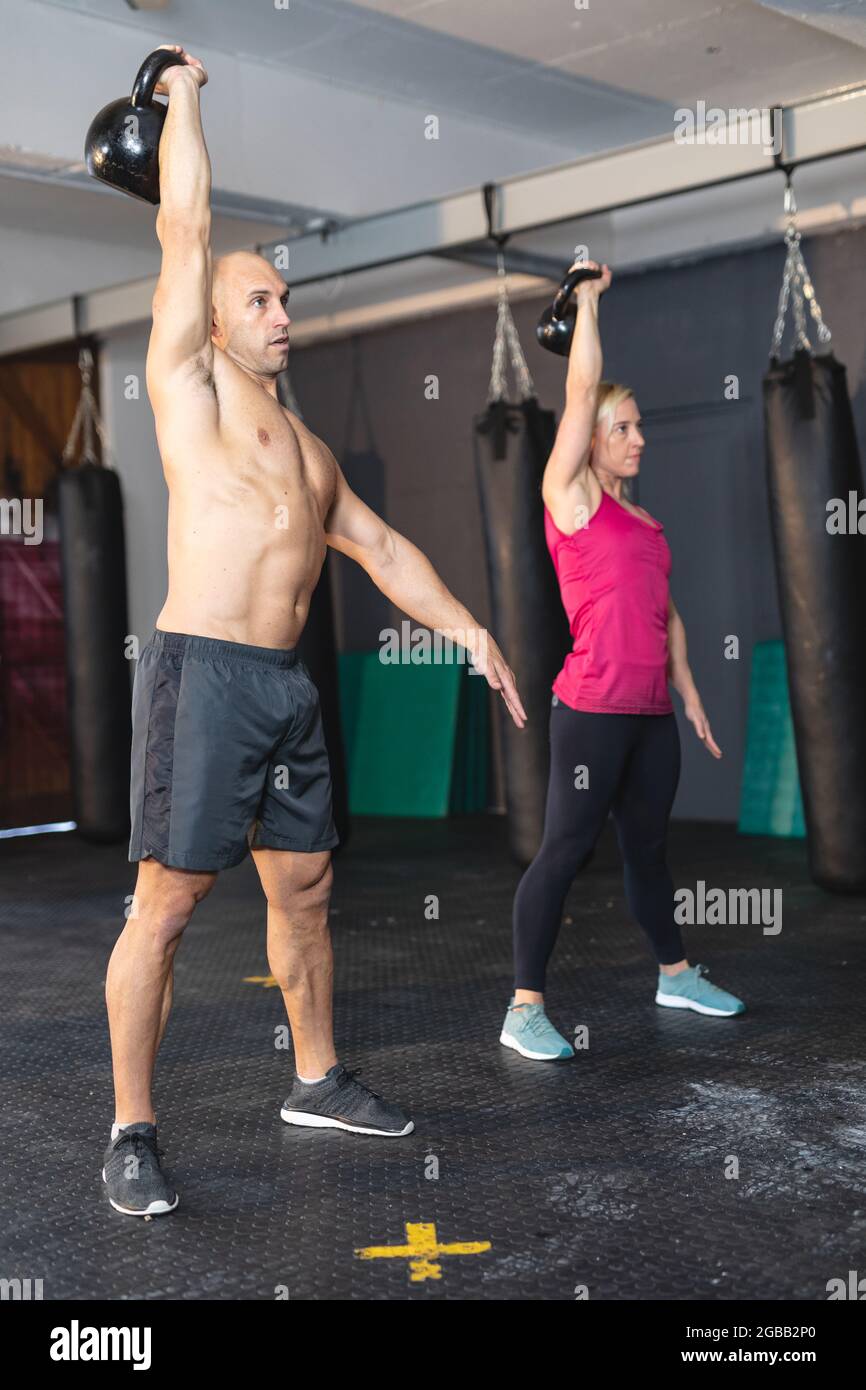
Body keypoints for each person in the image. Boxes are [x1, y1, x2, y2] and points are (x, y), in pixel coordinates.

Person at [103, 46, 526, 1217]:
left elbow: (386, 553)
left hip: (285, 689)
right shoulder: (188, 385)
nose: (280, 313)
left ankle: (315, 1077)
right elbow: (184, 231)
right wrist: (183, 94)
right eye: (260, 300)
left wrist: (473, 633)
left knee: (306, 894)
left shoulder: (314, 455)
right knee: (169, 905)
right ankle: (133, 1127)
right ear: (215, 322)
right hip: (204, 677)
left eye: (284, 298)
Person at [500, 259, 744, 1063]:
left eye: (640, 427)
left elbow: (664, 614)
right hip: (593, 711)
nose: (639, 439)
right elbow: (576, 393)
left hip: (650, 716)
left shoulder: (644, 523)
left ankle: (674, 973)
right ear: (593, 439)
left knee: (649, 850)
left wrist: (691, 694)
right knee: (566, 851)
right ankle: (524, 1006)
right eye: (625, 427)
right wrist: (590, 301)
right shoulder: (572, 497)